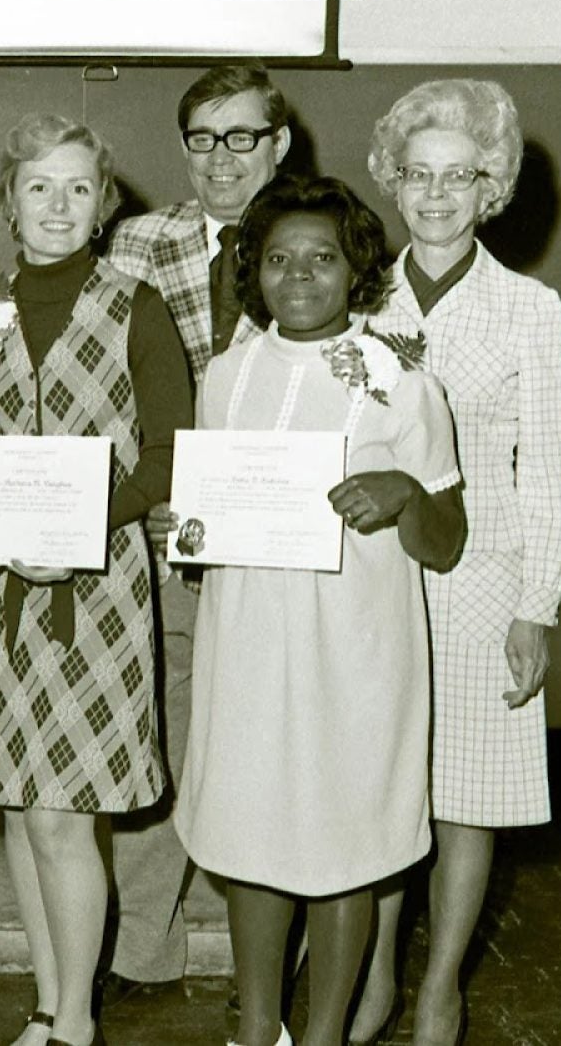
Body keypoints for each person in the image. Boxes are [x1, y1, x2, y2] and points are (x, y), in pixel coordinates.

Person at [175, 176, 467, 1046]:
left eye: (321, 258)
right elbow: (209, 520)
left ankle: (327, 1033)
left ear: (356, 272)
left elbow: (445, 541)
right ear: (252, 272)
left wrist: (406, 489)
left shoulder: (399, 380)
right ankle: (259, 1029)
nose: (298, 275)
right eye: (277, 259)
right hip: (251, 643)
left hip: (356, 650)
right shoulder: (226, 375)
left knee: (346, 841)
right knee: (252, 833)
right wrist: (187, 525)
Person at [0, 114, 192, 1046]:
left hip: (99, 592)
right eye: (39, 185)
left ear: (103, 203)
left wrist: (84, 522)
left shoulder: (138, 305)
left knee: (62, 815)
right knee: (19, 805)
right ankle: (47, 1005)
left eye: (78, 187)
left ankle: (76, 1021)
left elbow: (168, 454)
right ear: (9, 199)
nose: (57, 204)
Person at [351, 79, 561, 1046]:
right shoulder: (358, 296)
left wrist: (540, 606)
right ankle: (371, 979)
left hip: (485, 578)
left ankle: (440, 983)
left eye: (461, 175)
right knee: (379, 780)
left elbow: (551, 466)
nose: (436, 194)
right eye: (418, 173)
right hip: (377, 574)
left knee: (468, 795)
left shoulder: (529, 306)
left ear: (492, 188)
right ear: (392, 180)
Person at [102, 63, 293, 997]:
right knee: (160, 733)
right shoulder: (137, 242)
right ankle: (144, 946)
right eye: (203, 139)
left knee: (275, 737)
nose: (221, 159)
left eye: (243, 136)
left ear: (279, 143)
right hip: (164, 540)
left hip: (285, 546)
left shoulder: (317, 240)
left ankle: (272, 951)